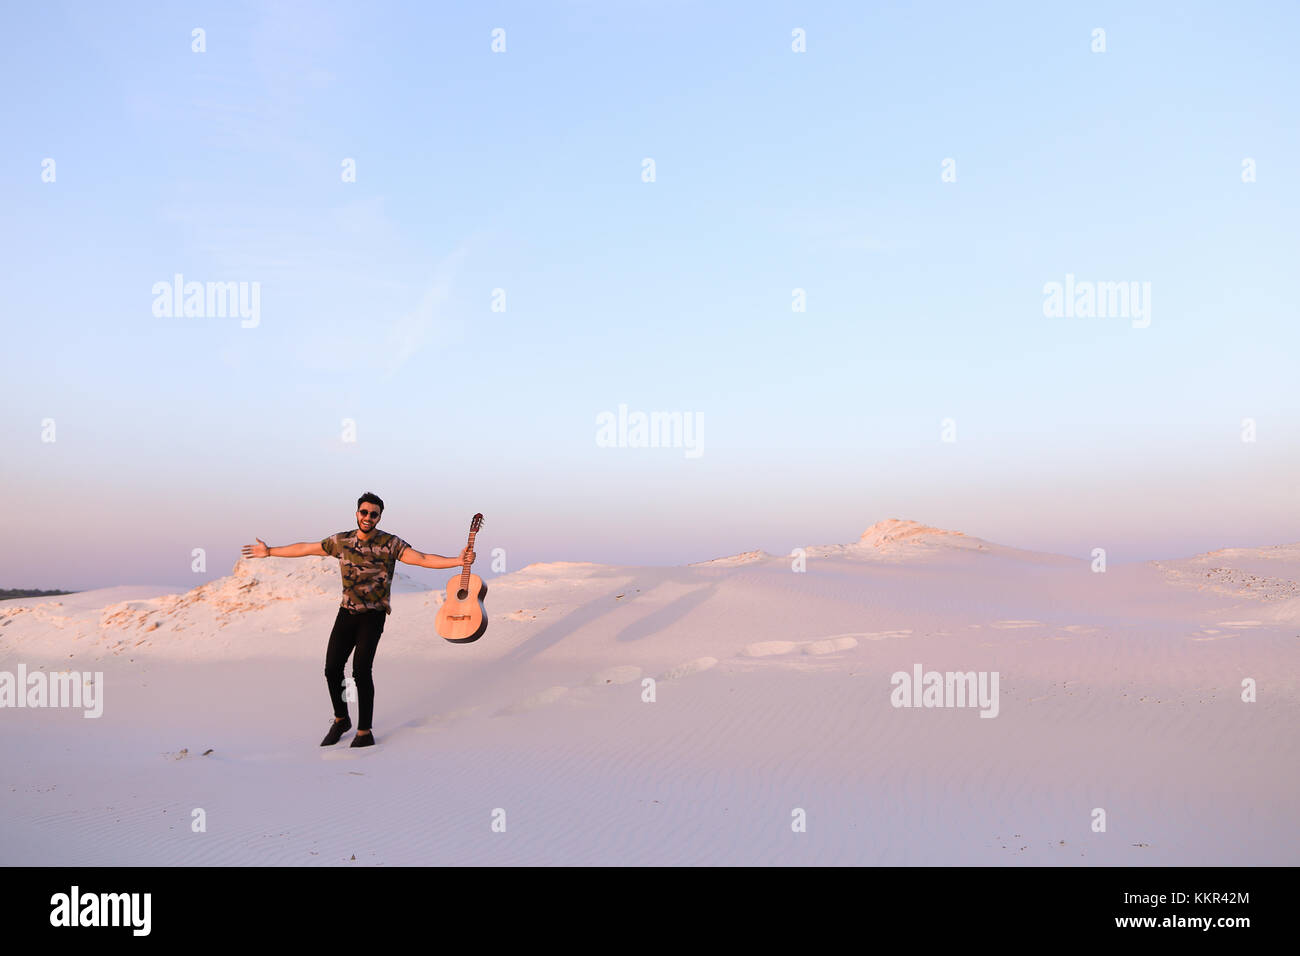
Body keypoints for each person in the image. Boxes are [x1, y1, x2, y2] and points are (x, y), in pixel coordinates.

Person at [240, 492, 475, 748]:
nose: (368, 517)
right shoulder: (341, 541)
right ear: (357, 513)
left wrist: (458, 561)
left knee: (361, 670)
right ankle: (341, 719)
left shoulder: (390, 543)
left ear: (379, 517)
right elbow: (306, 548)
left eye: (373, 514)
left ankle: (365, 731)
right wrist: (270, 551)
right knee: (332, 669)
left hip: (373, 616)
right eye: (364, 512)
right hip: (346, 612)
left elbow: (422, 559)